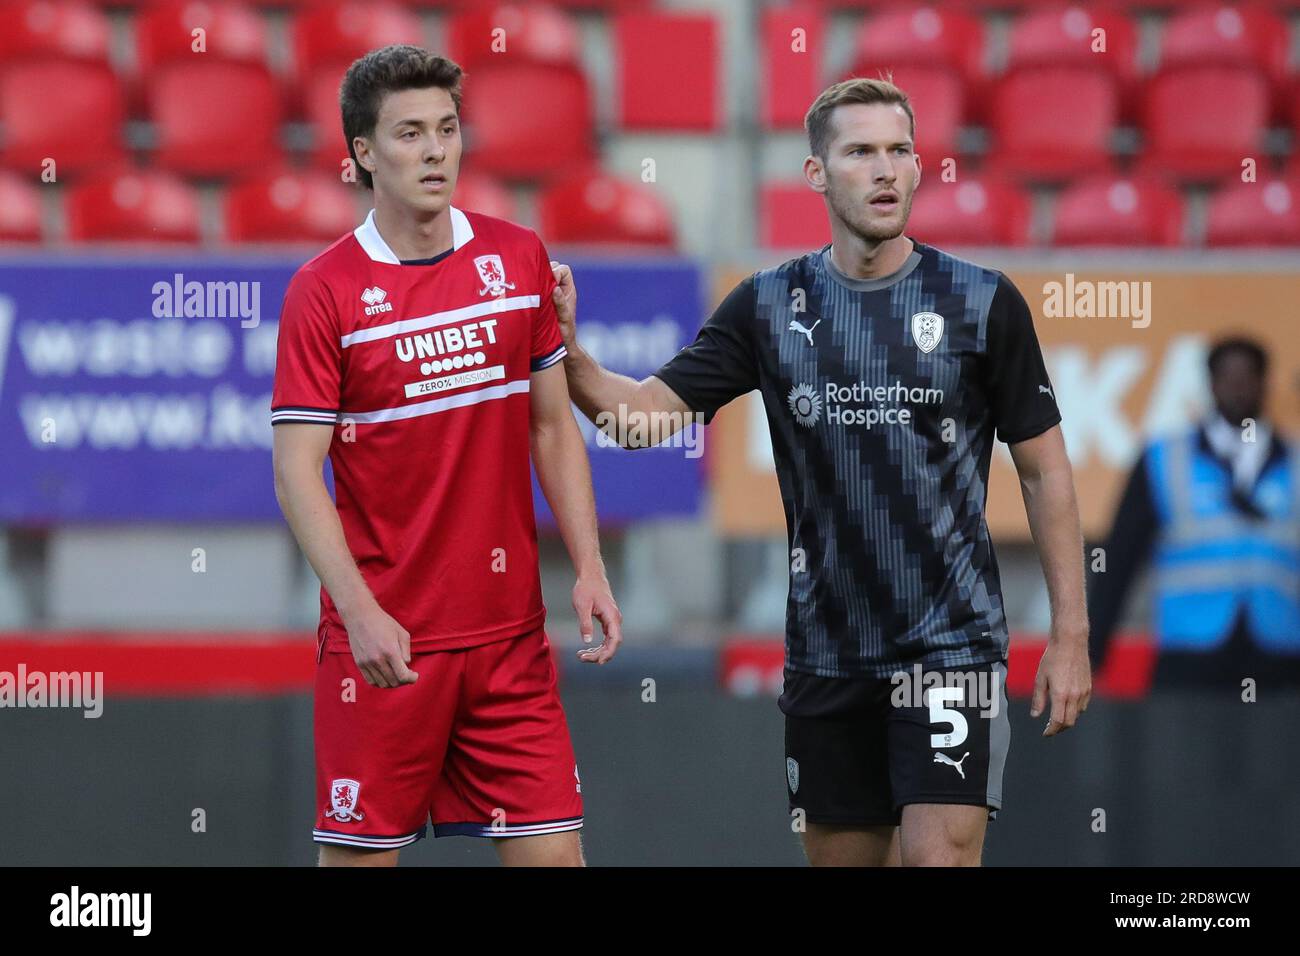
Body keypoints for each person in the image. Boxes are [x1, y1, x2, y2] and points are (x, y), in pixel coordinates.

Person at [549, 77, 1091, 866]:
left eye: (900, 150)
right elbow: (639, 418)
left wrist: (1070, 634)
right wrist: (566, 349)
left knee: (940, 857)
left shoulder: (982, 303)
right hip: (828, 655)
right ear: (816, 174)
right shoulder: (768, 306)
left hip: (951, 647)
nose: (884, 169)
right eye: (861, 151)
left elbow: (1044, 473)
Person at [271, 45, 621, 867]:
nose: (435, 151)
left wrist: (591, 566)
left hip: (509, 643)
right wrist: (358, 611)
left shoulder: (519, 258)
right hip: (386, 642)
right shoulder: (322, 292)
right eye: (409, 134)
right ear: (362, 152)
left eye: (448, 129)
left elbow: (551, 428)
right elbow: (295, 473)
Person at [1089, 336, 1300, 690]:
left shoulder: (1293, 462)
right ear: (1211, 384)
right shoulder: (1163, 459)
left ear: (1265, 384)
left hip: (1279, 657)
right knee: (1181, 745)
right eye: (1227, 378)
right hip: (1189, 655)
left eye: (1247, 378)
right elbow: (1120, 561)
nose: (1237, 388)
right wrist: (1091, 657)